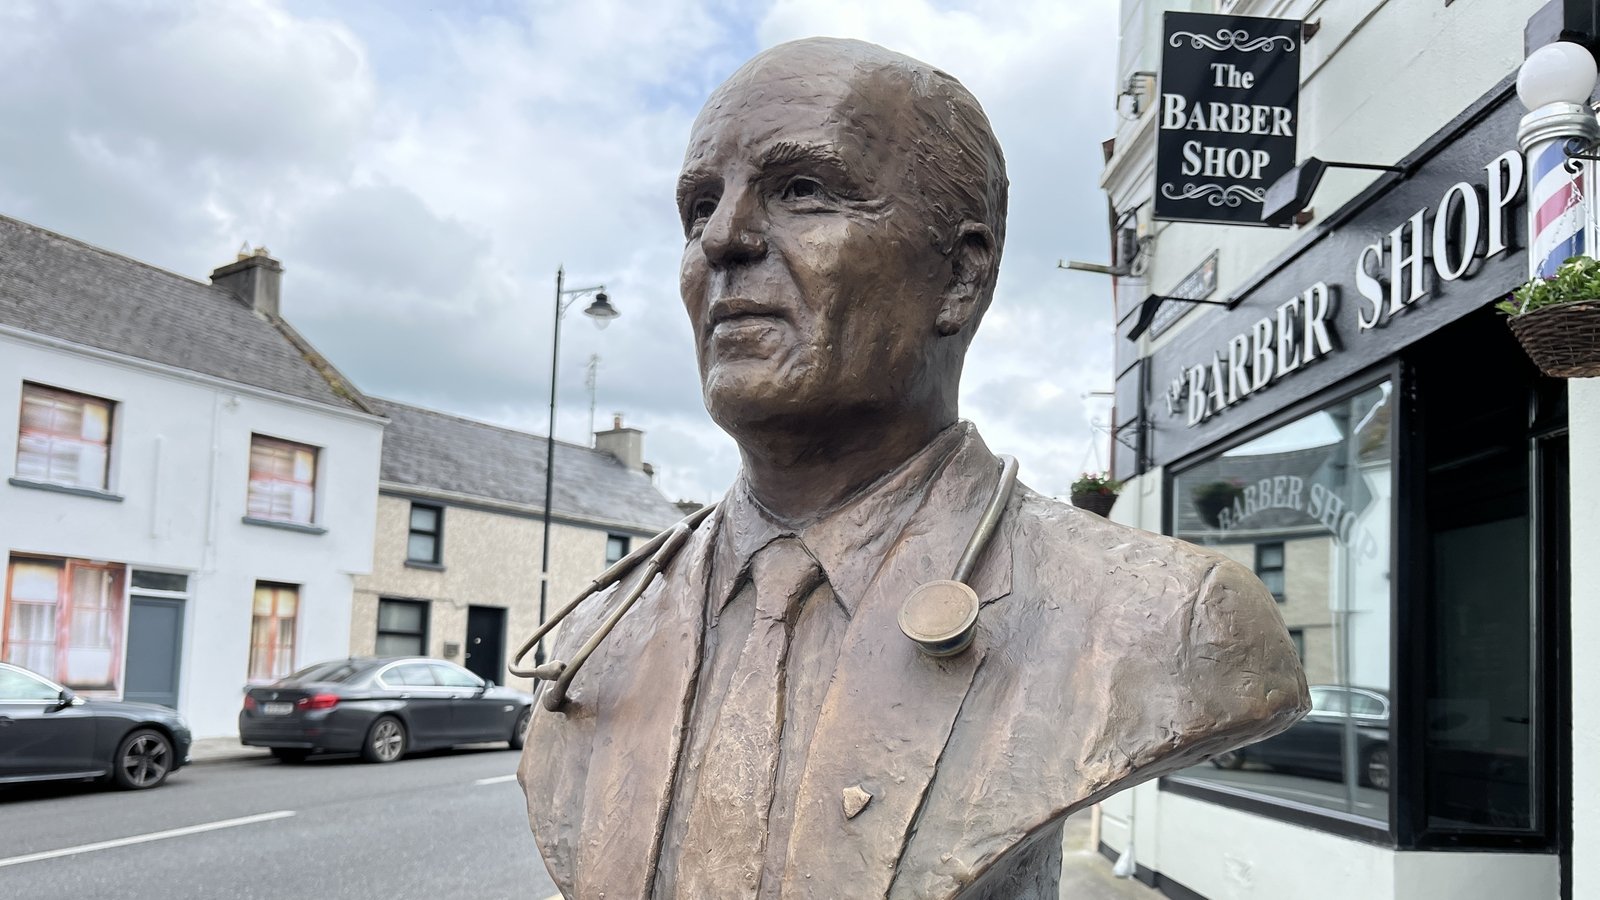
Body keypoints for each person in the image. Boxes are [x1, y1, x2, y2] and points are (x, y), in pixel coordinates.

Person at [519, 37, 1308, 900]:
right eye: (699, 206)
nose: (724, 239)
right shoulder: (595, 638)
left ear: (961, 276)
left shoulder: (1166, 618)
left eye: (802, 191)